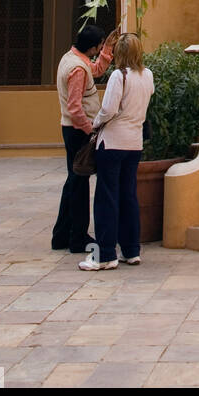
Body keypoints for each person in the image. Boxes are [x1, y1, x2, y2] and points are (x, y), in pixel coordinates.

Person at [78, 32, 154, 271]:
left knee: (106, 198)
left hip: (112, 143)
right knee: (128, 195)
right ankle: (131, 250)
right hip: (134, 143)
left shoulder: (118, 77)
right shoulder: (147, 75)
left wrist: (96, 123)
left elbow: (108, 108)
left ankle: (105, 254)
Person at [52, 24, 117, 253]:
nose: (99, 50)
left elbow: (96, 70)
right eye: (99, 46)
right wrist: (90, 129)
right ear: (91, 47)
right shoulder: (78, 69)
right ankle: (77, 238)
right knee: (79, 185)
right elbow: (75, 107)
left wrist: (108, 48)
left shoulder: (71, 58)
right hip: (78, 131)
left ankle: (61, 235)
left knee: (73, 182)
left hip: (72, 129)